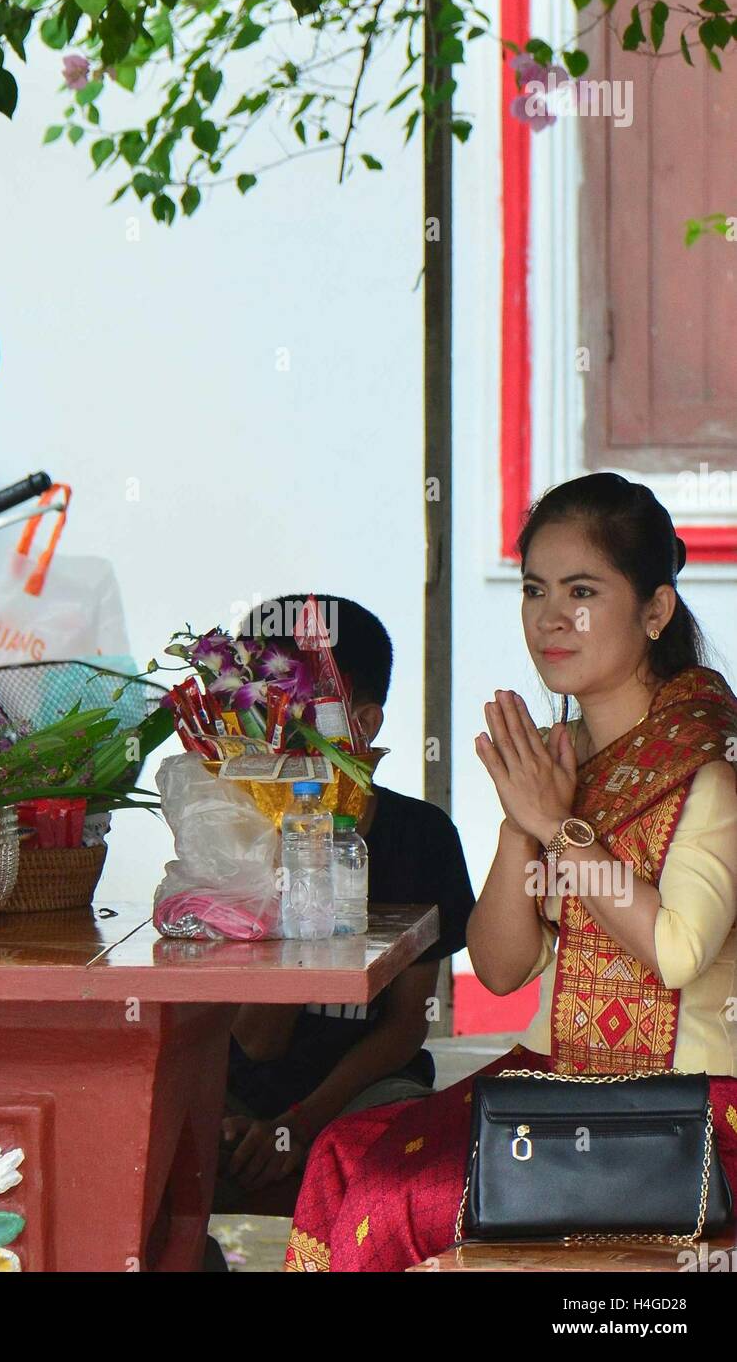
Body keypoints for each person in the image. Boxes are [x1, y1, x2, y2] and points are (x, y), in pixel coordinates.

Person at [285, 474, 737, 1272]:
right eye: (534, 590)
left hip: (689, 1105)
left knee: (396, 1197)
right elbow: (497, 968)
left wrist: (560, 829)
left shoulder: (709, 764)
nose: (549, 618)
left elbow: (674, 951)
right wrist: (517, 826)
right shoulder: (564, 759)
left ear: (655, 610)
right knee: (343, 1157)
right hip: (553, 1079)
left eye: (582, 590)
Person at [212, 594, 476, 1218]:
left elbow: (407, 1022)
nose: (269, 731)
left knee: (399, 1165)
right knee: (157, 1147)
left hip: (364, 1087)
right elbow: (252, 1041)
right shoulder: (227, 829)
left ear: (363, 722)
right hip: (236, 1090)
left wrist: (302, 1124)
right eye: (256, 708)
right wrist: (285, 848)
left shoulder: (422, 836)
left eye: (294, 710)